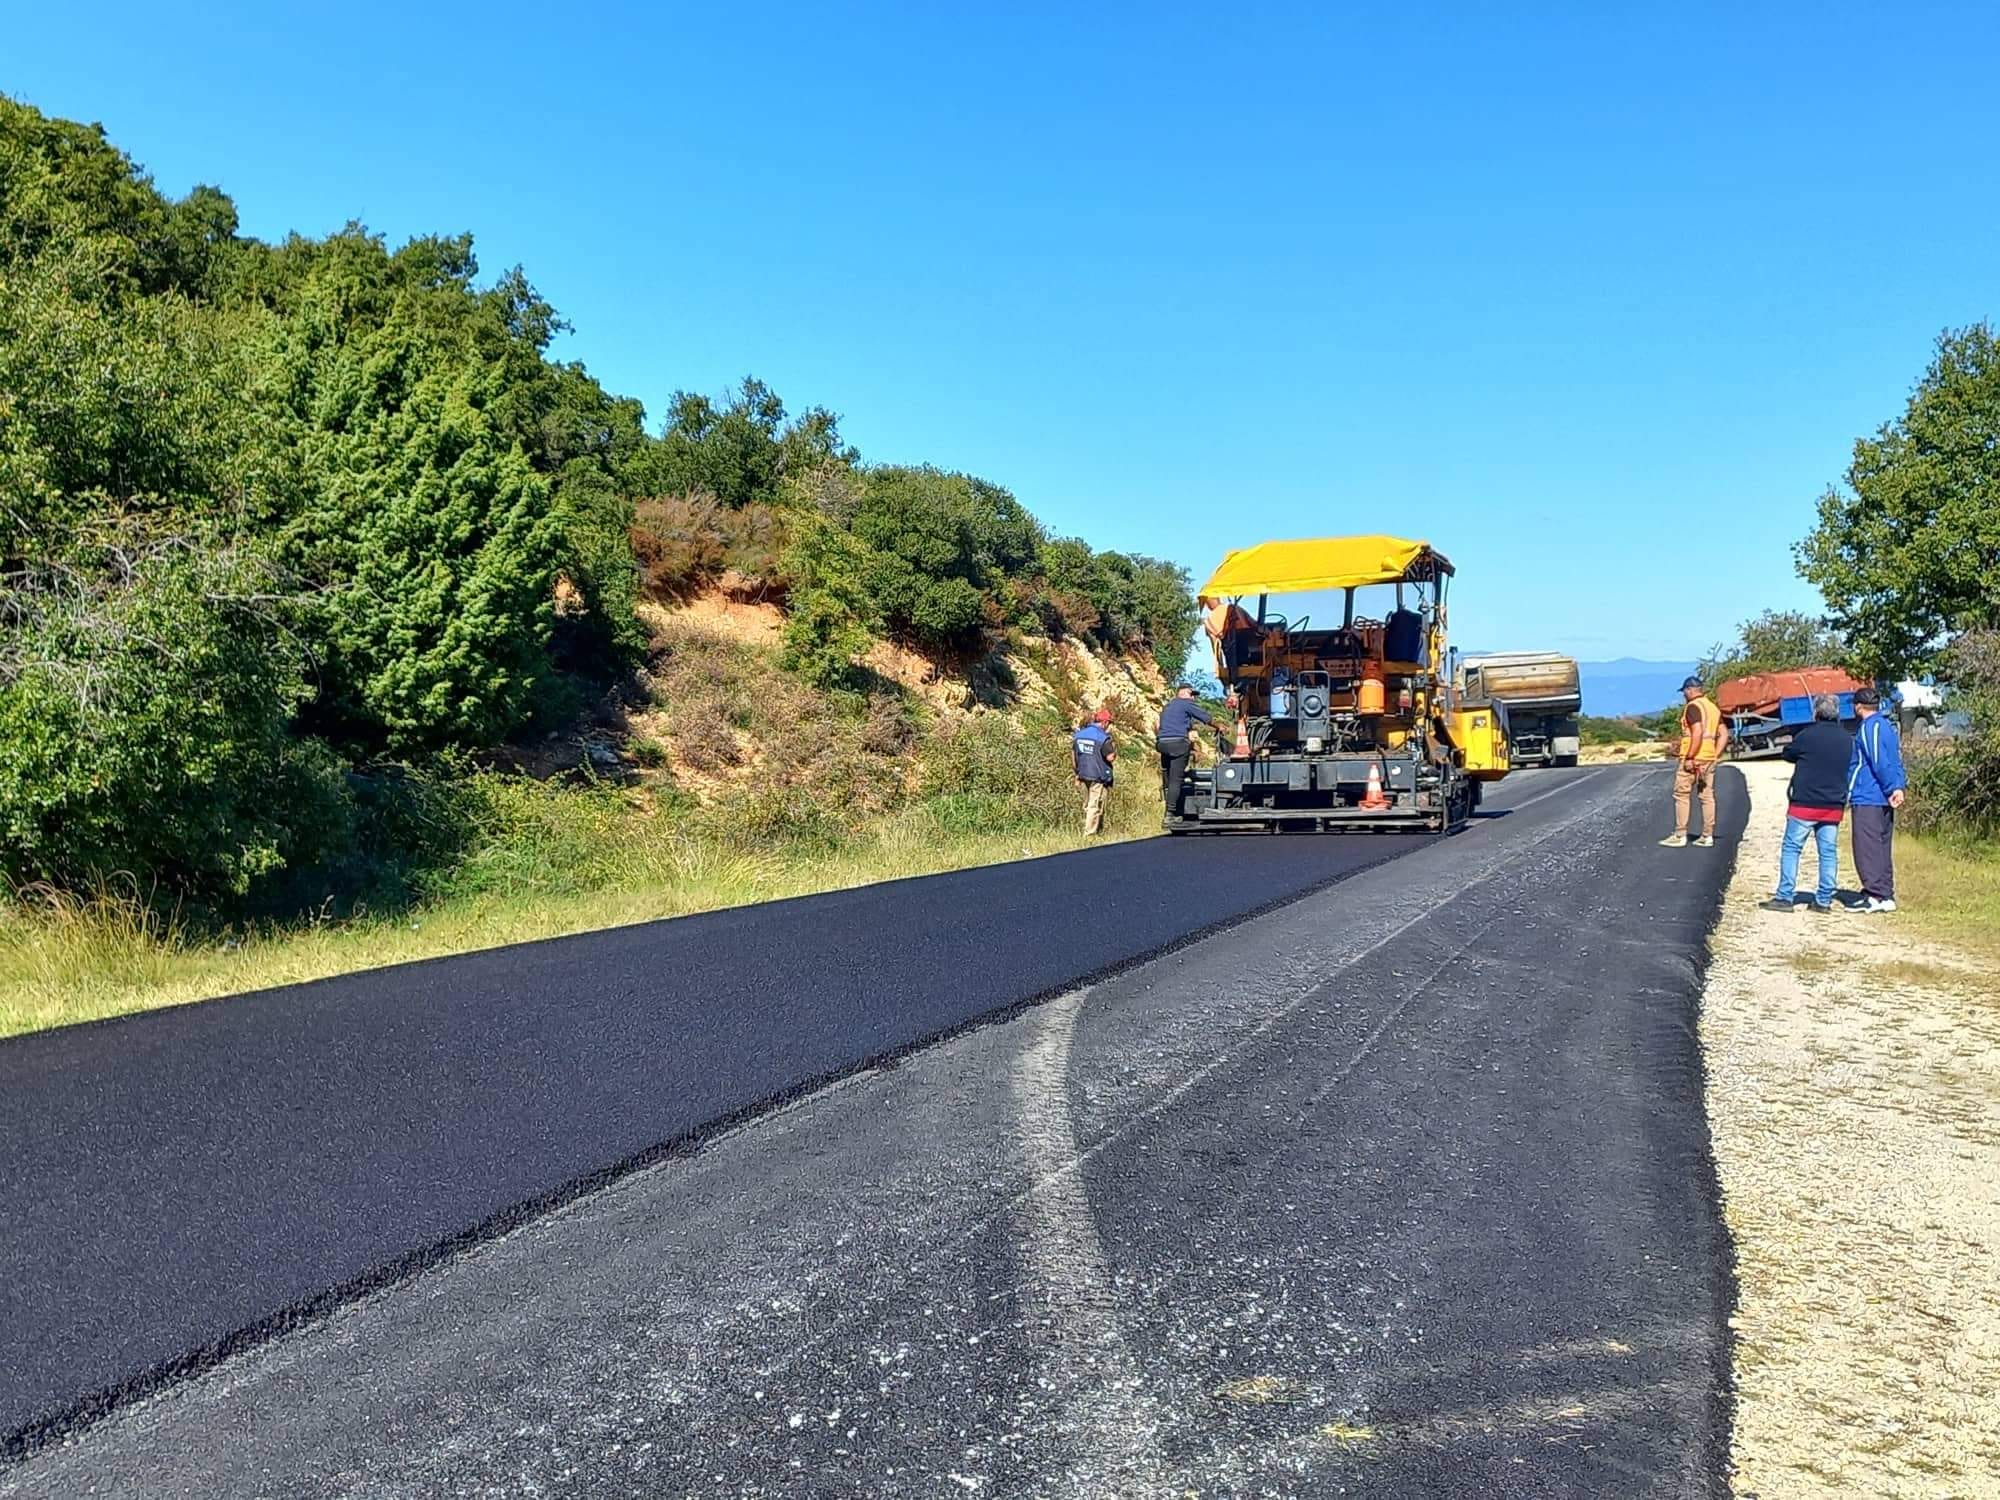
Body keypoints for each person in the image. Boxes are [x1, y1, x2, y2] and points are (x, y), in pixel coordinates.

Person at [1761, 694, 1851, 913]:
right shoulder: (1847, 738)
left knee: (1792, 848)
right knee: (1827, 852)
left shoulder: (1806, 736)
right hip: (1833, 804)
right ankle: (1823, 900)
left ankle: (1784, 896)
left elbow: (1788, 754)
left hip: (1805, 803)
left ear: (1816, 713)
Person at [1844, 687, 1907, 912]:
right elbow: (1896, 759)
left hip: (1869, 794)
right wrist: (1898, 786)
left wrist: (1892, 786)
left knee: (1866, 846)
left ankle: (1875, 894)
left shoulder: (1870, 727)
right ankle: (1885, 892)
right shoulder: (1888, 726)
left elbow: (1879, 761)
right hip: (1882, 795)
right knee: (1881, 846)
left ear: (1858, 706)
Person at [1660, 675, 1729, 847]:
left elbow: (1697, 732)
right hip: (1708, 758)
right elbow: (1724, 734)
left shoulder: (1693, 707)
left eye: (1684, 691)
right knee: (1707, 797)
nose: (1684, 695)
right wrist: (1715, 755)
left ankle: (1680, 834)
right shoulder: (1713, 708)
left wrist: (1690, 756)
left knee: (1681, 795)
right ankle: (1707, 836)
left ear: (1690, 690)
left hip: (1693, 759)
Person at [1155, 684, 1214, 826]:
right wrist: (1219, 726)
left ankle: (1170, 810)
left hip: (1162, 744)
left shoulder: (1167, 707)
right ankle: (1170, 815)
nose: (1193, 697)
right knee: (1176, 780)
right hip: (1178, 744)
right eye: (1191, 694)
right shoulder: (1186, 704)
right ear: (1184, 693)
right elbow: (1206, 718)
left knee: (1168, 779)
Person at [1071, 707, 1116, 836]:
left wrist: (1077, 773)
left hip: (1082, 774)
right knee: (1094, 805)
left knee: (1086, 805)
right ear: (1105, 722)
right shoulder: (1103, 737)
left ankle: (1091, 829)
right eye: (1109, 723)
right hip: (1097, 776)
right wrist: (1114, 749)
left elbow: (1074, 757)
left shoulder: (1078, 735)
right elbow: (1110, 757)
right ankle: (1089, 834)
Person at [1197, 595, 1256, 685]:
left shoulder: (1209, 620)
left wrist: (1220, 668)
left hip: (1231, 653)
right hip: (1248, 649)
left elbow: (1215, 647)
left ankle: (1235, 679)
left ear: (1207, 605)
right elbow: (1254, 624)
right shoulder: (1235, 608)